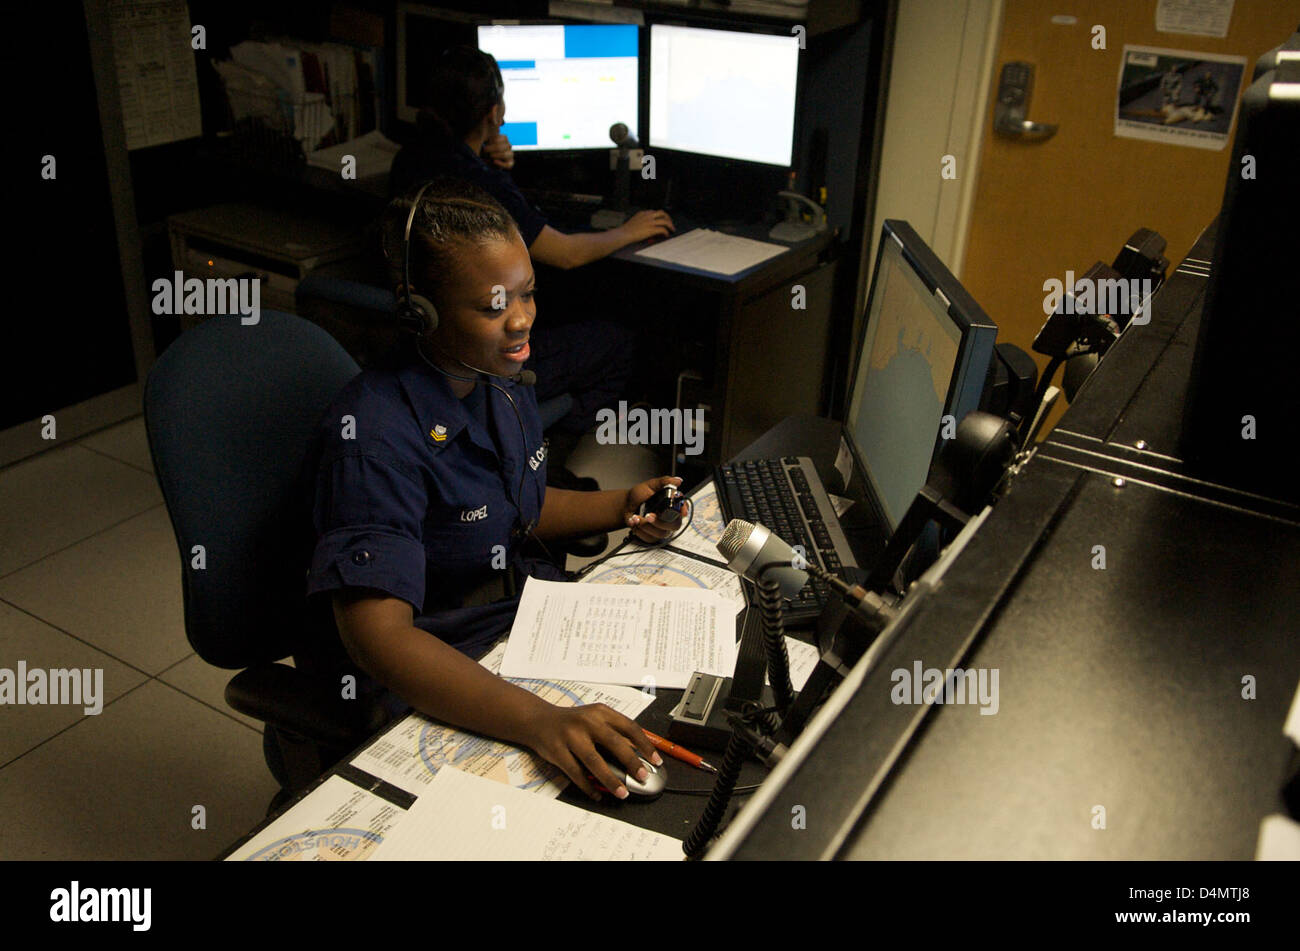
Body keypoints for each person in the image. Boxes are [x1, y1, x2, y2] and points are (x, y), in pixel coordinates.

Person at [303, 179, 679, 800]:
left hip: (522, 622)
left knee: (673, 704)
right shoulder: (373, 439)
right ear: (416, 307)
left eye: (528, 293)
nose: (522, 318)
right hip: (440, 667)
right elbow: (380, 638)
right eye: (493, 305)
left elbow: (512, 513)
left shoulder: (499, 379)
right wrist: (538, 721)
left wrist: (620, 505)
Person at [390, 45, 675, 269]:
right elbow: (567, 255)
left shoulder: (409, 156)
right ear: (494, 112)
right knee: (618, 333)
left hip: (439, 317)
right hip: (494, 333)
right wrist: (629, 231)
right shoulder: (484, 187)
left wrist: (488, 162)